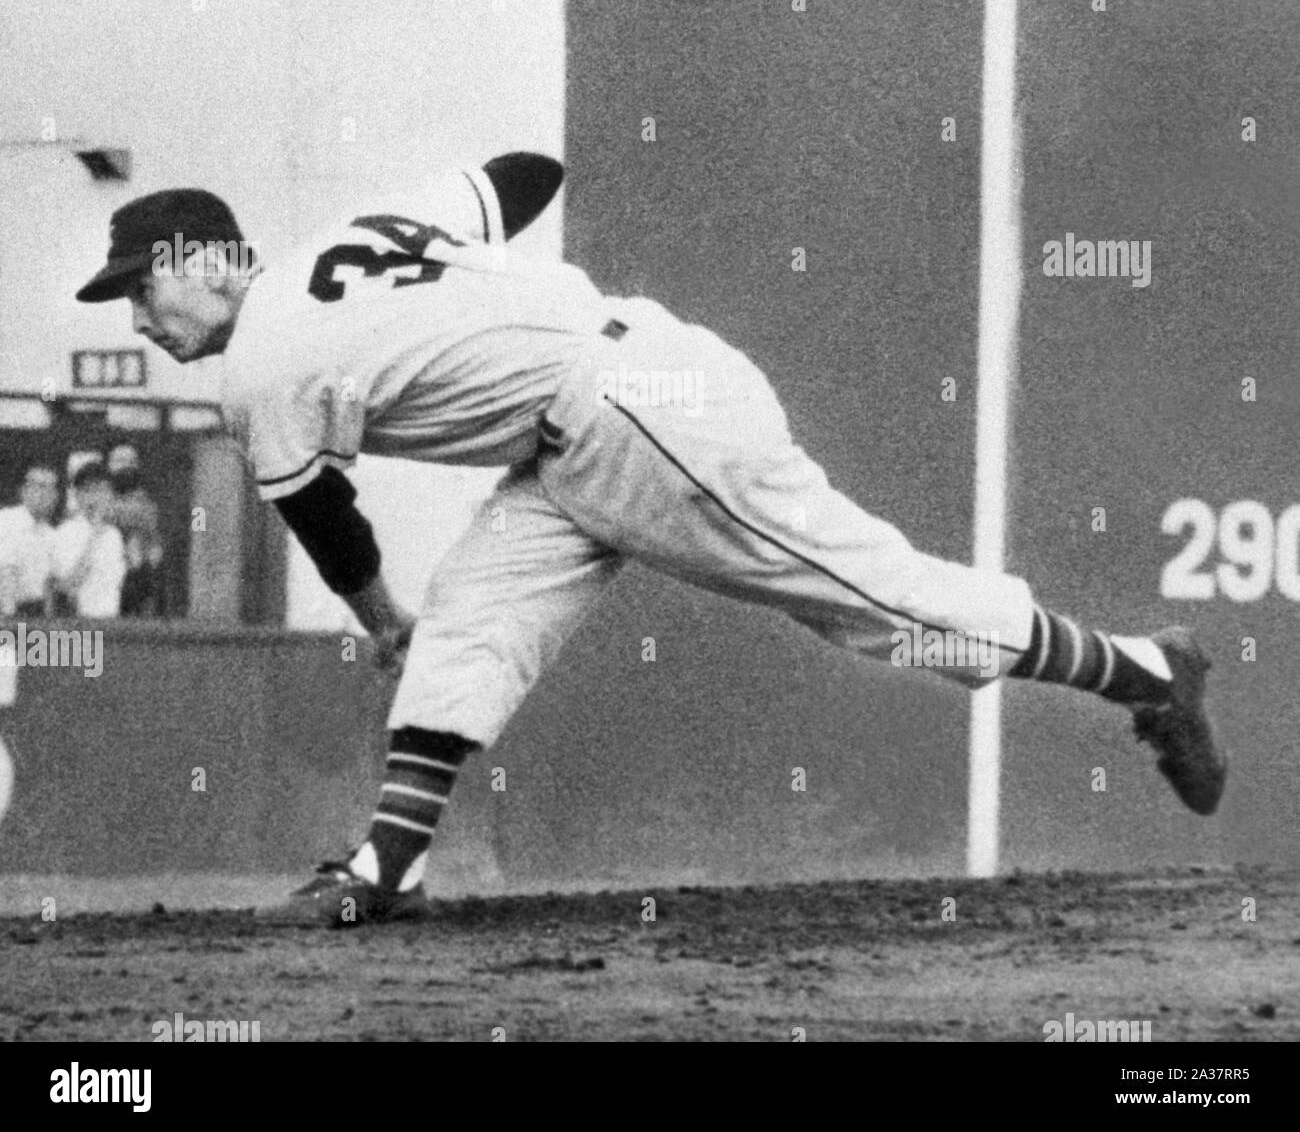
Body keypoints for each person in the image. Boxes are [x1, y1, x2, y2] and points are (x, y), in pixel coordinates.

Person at [75, 163, 1228, 924]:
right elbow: (521, 177)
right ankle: (387, 865)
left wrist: (377, 621)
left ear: (195, 254)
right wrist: (455, 276)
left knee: (873, 604)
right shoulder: (351, 234)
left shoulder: (255, 362)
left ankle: (1149, 670)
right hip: (577, 429)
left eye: (140, 287)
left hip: (637, 413)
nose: (138, 315)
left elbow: (325, 519)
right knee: (473, 616)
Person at [51, 461, 127, 619]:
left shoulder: (114, 534)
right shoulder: (66, 531)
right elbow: (67, 586)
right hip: (80, 625)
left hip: (112, 621)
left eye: (101, 490)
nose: (95, 497)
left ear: (111, 494)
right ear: (78, 495)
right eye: (88, 491)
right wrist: (94, 536)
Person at [107, 444, 165, 618]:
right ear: (109, 465)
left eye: (131, 461)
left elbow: (155, 544)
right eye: (120, 460)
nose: (126, 466)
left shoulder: (149, 504)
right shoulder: (99, 499)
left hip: (137, 581)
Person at [0, 466, 59, 618]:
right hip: (8, 613)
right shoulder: (6, 520)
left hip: (38, 615)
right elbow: (5, 572)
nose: (45, 494)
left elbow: (49, 584)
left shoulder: (52, 535)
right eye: (40, 487)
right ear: (24, 491)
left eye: (51, 489)